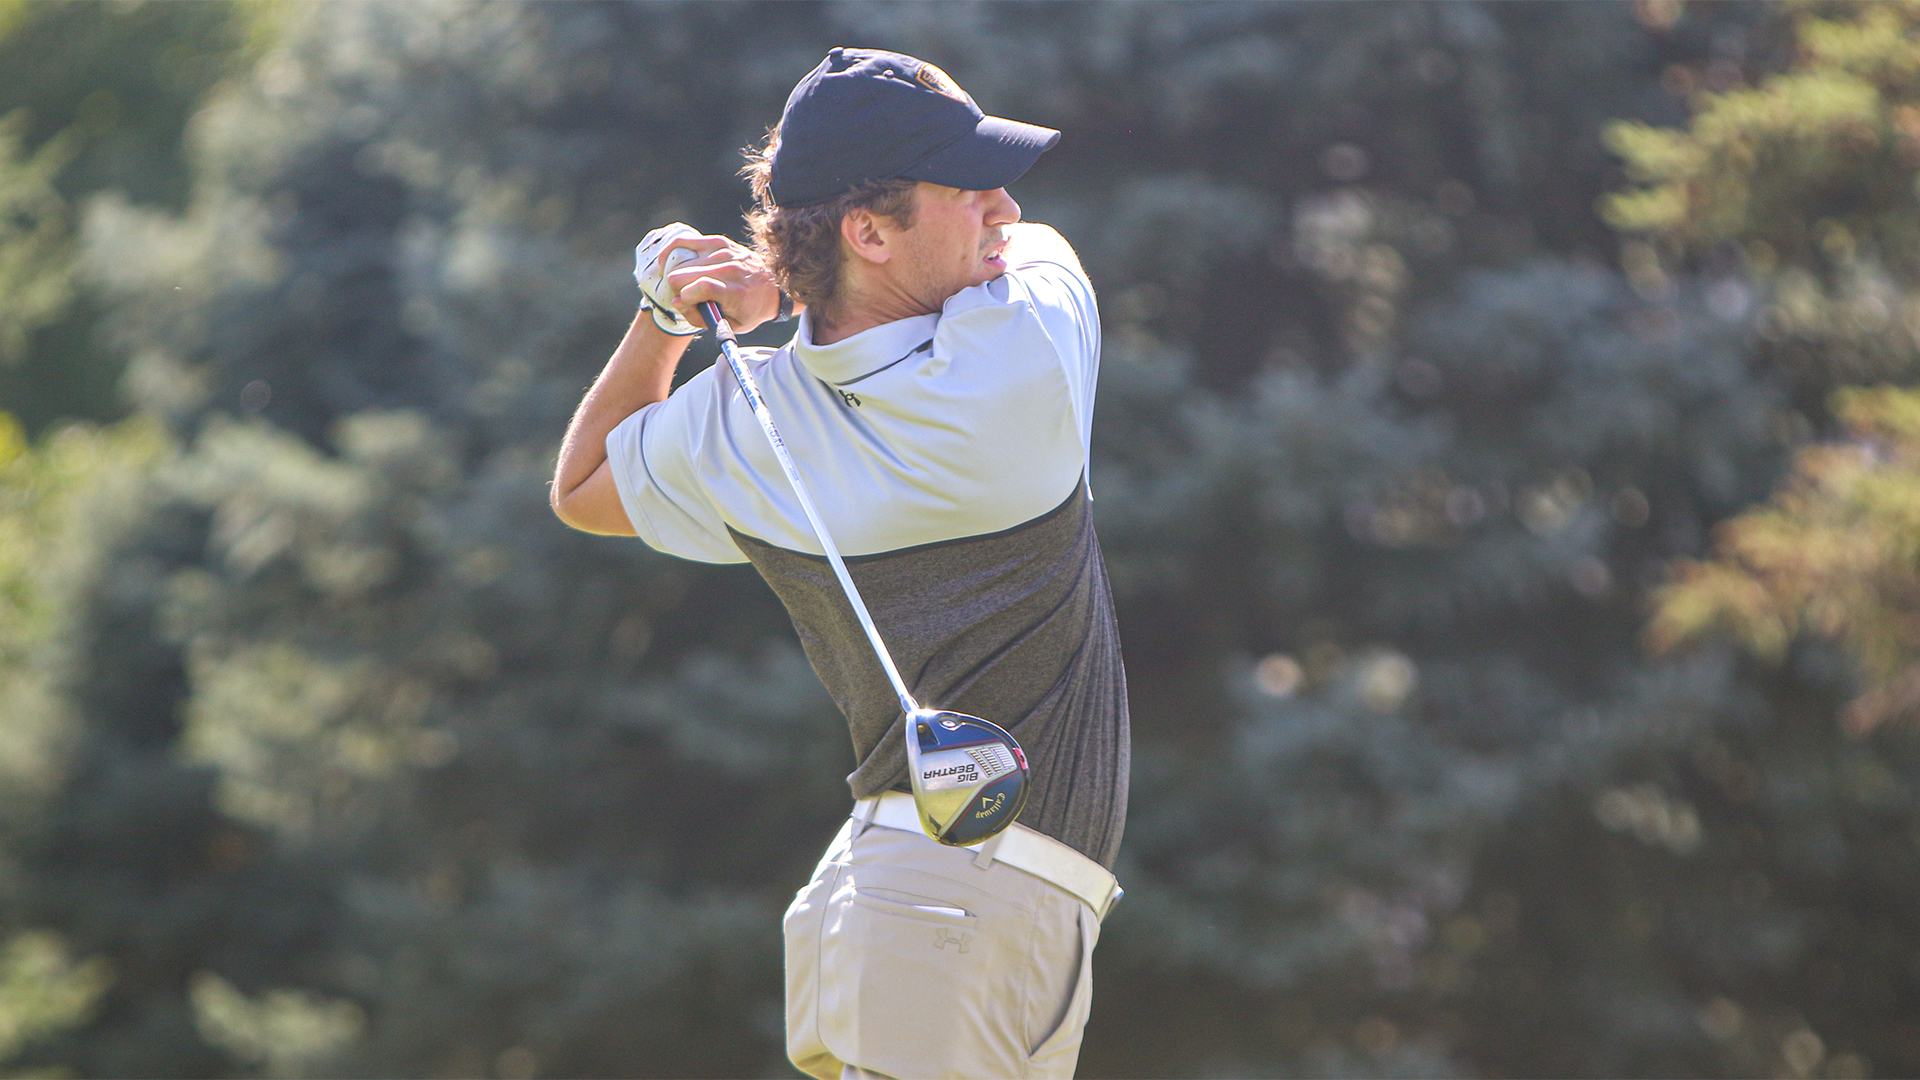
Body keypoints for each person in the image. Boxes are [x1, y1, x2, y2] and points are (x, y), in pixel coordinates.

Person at [550, 47, 1129, 1080]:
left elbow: (584, 486)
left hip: (903, 899)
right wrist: (785, 280)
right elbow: (1044, 243)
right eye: (968, 187)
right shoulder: (1017, 352)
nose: (1003, 208)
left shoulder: (746, 420)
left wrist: (668, 317)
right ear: (869, 231)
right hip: (958, 916)